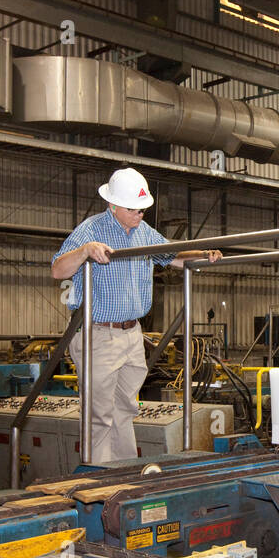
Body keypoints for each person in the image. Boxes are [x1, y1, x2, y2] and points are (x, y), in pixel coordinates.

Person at [52, 167, 222, 464]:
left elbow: (173, 257)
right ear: (113, 205)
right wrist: (84, 251)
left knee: (126, 409)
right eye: (133, 209)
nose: (140, 215)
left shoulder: (144, 232)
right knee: (100, 414)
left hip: (132, 335)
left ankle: (125, 471)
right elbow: (58, 269)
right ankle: (99, 477)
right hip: (98, 334)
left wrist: (201, 255)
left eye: (143, 210)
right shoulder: (91, 230)